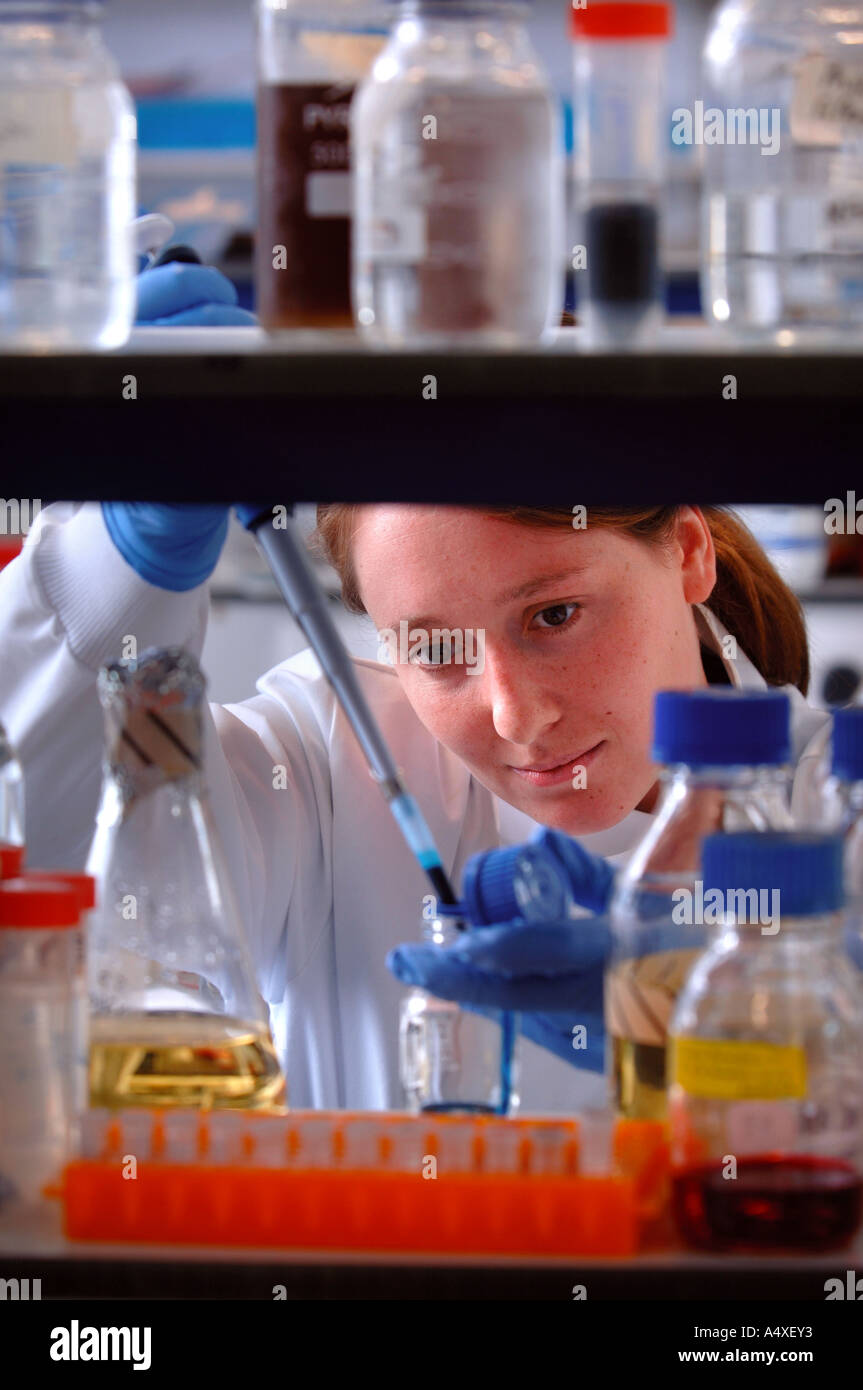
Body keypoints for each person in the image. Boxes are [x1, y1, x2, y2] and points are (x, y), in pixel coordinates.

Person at [0, 484, 832, 1111]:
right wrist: (111, 580)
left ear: (688, 551)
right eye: (435, 649)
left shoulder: (838, 806)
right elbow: (47, 837)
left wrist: (731, 1014)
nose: (516, 716)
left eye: (554, 615)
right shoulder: (324, 763)